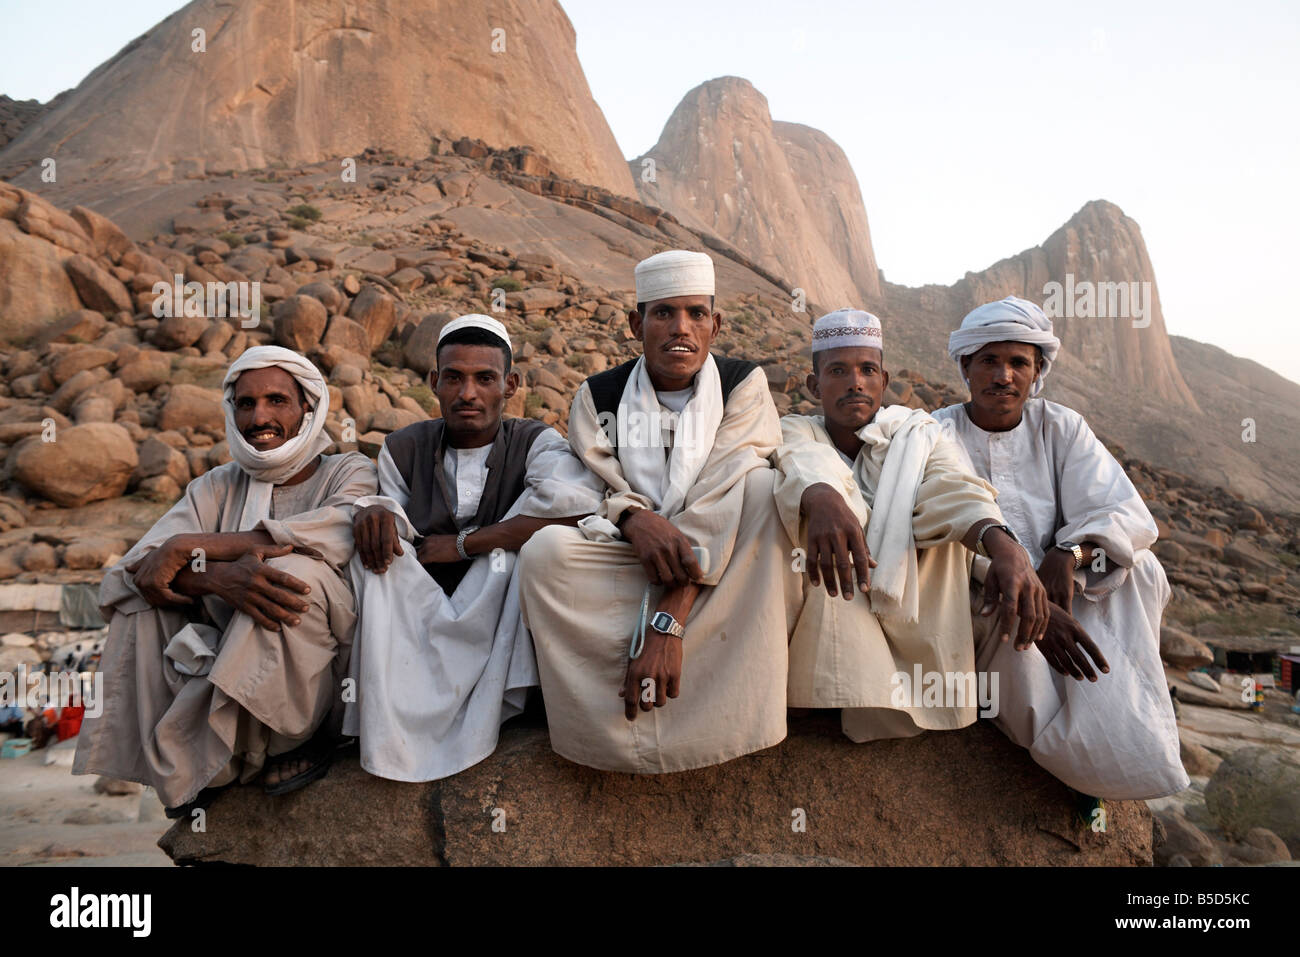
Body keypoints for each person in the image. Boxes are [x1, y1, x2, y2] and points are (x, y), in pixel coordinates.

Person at [516, 250, 800, 773]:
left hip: (720, 557)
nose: (680, 328)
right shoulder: (598, 395)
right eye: (663, 313)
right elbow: (594, 484)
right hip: (629, 554)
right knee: (545, 553)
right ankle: (607, 730)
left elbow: (723, 490)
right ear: (635, 324)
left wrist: (666, 623)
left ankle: (715, 706)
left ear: (715, 326)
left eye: (695, 314)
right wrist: (631, 516)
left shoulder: (743, 384)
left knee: (759, 490)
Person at [72, 346, 377, 815]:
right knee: (140, 603)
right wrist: (215, 578)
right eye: (246, 403)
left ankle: (295, 740)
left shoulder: (349, 470)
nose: (260, 417)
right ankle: (204, 763)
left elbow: (330, 533)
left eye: (277, 401)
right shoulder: (215, 486)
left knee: (291, 572)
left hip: (329, 662)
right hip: (223, 645)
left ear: (307, 409)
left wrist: (188, 550)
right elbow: (133, 572)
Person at [933, 295, 1189, 799]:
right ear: (965, 365)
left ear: (1036, 371)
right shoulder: (937, 432)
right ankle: (1073, 755)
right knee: (1007, 615)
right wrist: (1029, 598)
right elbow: (937, 520)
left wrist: (1068, 555)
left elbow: (1125, 515)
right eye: (988, 360)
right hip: (982, 592)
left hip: (1068, 583)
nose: (1003, 375)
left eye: (1018, 363)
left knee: (1142, 569)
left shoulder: (1061, 426)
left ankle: (1126, 729)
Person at [343, 315, 602, 781]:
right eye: (454, 378)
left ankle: (512, 702)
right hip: (417, 609)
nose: (468, 394)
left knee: (536, 536)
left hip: (501, 601)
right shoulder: (403, 447)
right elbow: (392, 520)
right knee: (375, 554)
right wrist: (373, 511)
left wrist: (465, 545)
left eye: (485, 379)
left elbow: (579, 511)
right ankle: (388, 722)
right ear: (433, 382)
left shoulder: (536, 441)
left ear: (511, 384)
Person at [773, 309, 1049, 742]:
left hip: (913, 614)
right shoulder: (796, 430)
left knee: (946, 528)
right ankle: (825, 686)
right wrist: (824, 498)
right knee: (782, 500)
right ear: (814, 385)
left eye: (867, 370)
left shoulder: (920, 434)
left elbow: (952, 487)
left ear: (883, 381)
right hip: (834, 602)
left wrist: (1004, 545)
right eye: (838, 371)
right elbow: (803, 462)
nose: (855, 383)